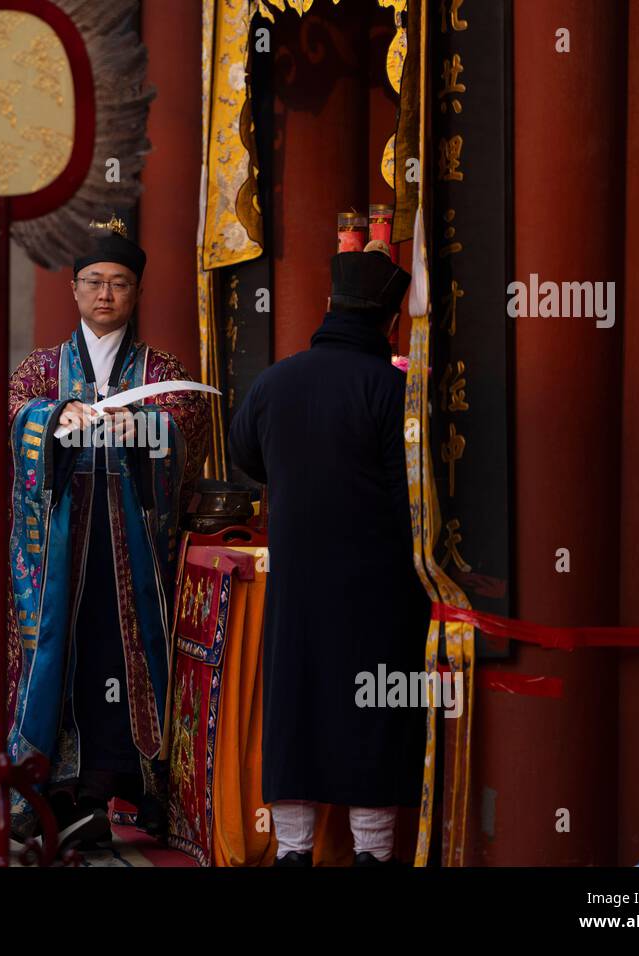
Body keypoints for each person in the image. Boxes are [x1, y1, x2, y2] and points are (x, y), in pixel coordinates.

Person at [0, 217, 209, 848]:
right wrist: (49, 418)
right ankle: (44, 786)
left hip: (130, 551)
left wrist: (149, 432)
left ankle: (114, 783)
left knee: (120, 655)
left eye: (120, 284)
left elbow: (189, 423)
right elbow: (4, 418)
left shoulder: (159, 368)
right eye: (94, 282)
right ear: (74, 290)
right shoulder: (40, 371)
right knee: (54, 651)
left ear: (135, 294)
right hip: (58, 552)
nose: (106, 295)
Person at [228, 249, 431, 867]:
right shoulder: (391, 389)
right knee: (373, 708)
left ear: (328, 308)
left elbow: (244, 457)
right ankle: (370, 852)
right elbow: (412, 499)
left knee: (297, 702)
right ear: (389, 324)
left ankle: (293, 849)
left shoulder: (274, 381)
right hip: (378, 586)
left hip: (297, 579)